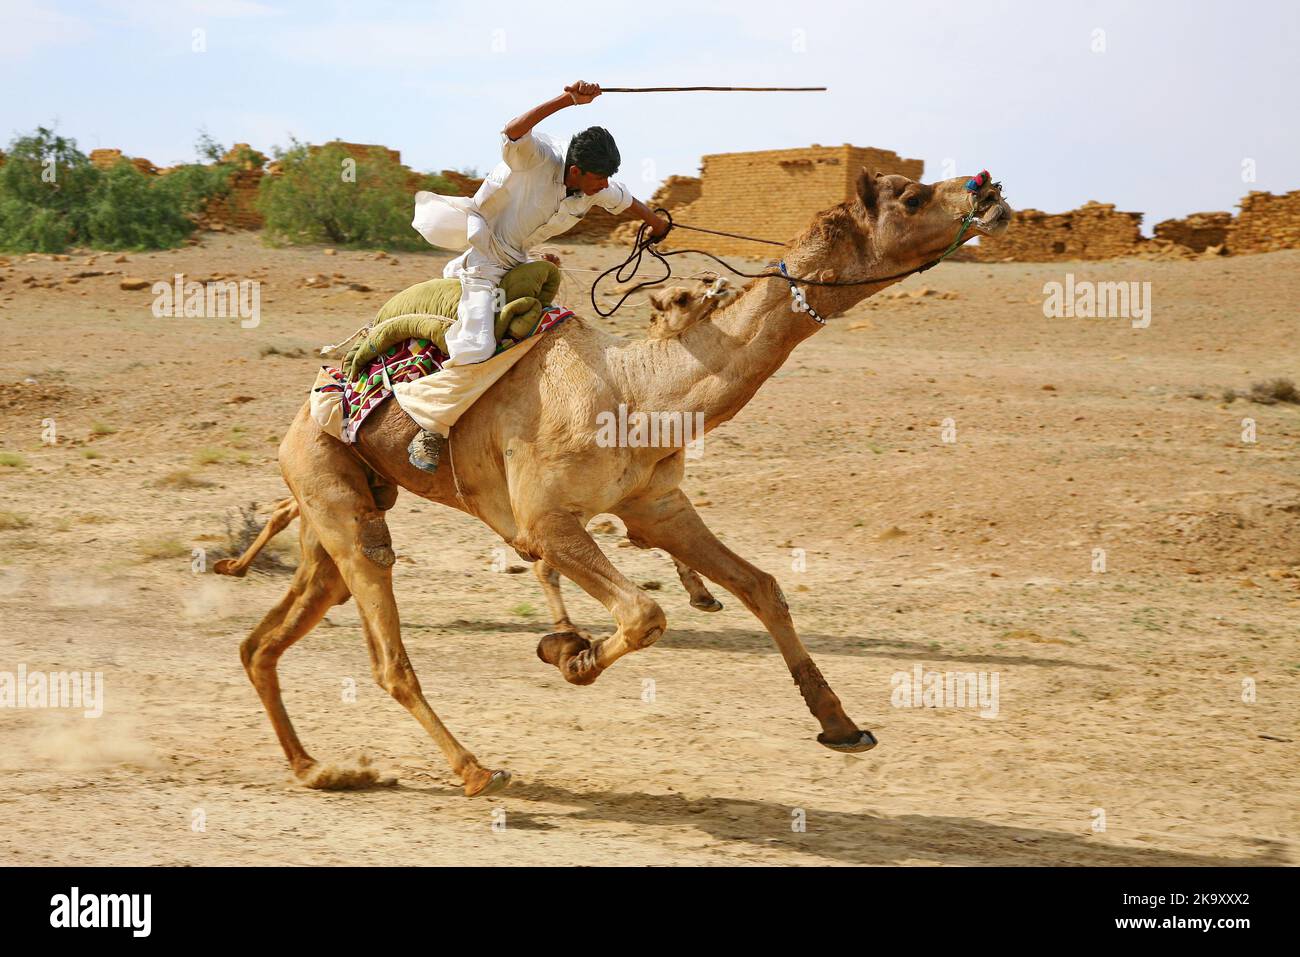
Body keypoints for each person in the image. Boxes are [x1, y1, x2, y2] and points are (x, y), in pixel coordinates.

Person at [407, 80, 671, 473]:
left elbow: (625, 199)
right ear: (577, 170)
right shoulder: (537, 159)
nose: (602, 187)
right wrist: (569, 100)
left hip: (520, 262)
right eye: (597, 179)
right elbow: (513, 131)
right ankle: (429, 428)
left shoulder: (591, 189)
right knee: (478, 344)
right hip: (484, 261)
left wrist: (656, 224)